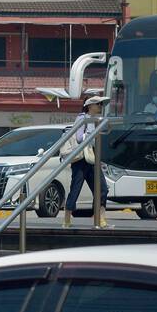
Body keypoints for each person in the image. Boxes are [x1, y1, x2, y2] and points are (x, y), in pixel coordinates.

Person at [62, 95, 111, 229]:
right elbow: (78, 138)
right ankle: (66, 219)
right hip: (81, 159)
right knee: (75, 188)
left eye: (101, 104)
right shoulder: (82, 118)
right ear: (90, 106)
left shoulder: (96, 119)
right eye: (98, 104)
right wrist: (91, 134)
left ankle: (100, 219)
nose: (100, 106)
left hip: (92, 157)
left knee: (102, 189)